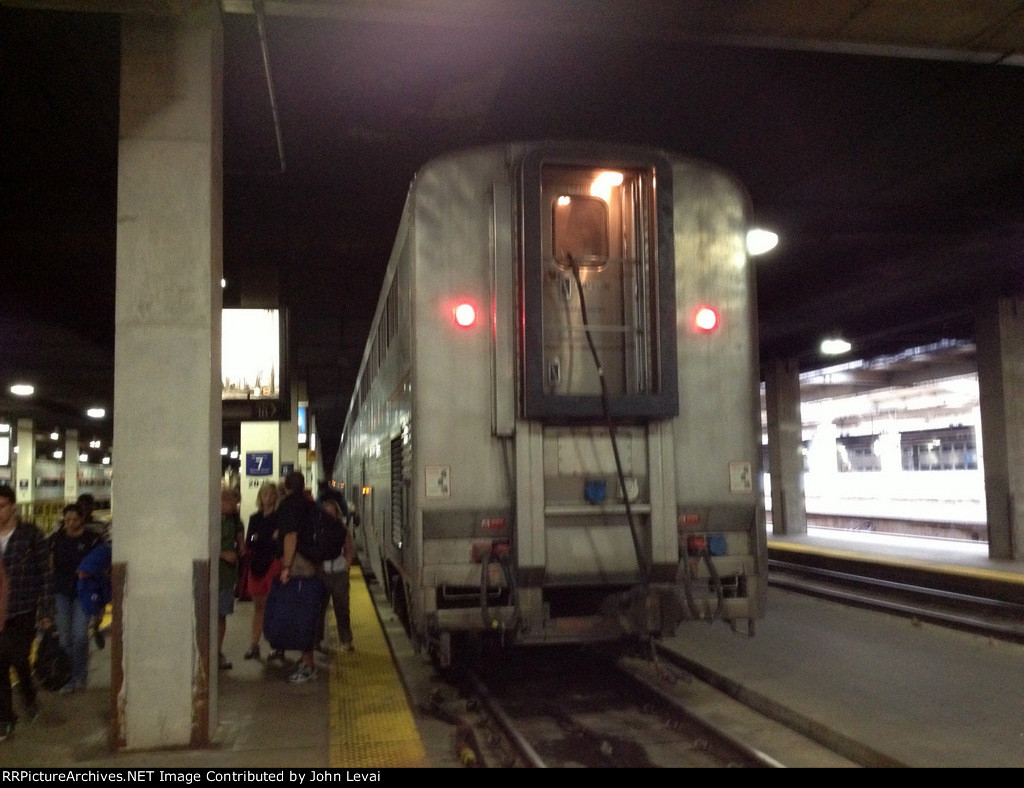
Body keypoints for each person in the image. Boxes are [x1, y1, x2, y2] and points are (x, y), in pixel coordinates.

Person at [0, 484, 53, 742]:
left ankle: (29, 694)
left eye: (1, 506)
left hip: (23, 609)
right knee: (0, 663)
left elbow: (46, 574)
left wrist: (46, 610)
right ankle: (5, 718)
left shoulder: (31, 535)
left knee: (19, 658)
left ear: (13, 507)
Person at [49, 503, 101, 693]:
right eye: (68, 519)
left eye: (75, 520)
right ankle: (69, 677)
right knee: (64, 638)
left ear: (82, 520)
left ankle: (80, 675)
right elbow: (50, 566)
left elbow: (101, 565)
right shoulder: (56, 539)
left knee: (79, 635)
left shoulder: (92, 540)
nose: (71, 523)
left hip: (83, 592)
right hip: (61, 592)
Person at [277, 470, 320, 683]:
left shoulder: (288, 505)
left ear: (286, 487)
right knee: (306, 613)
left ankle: (308, 665)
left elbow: (291, 536)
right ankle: (306, 659)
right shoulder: (309, 504)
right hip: (312, 563)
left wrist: (286, 567)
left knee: (302, 614)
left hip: (299, 565)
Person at [243, 480, 282, 661]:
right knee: (258, 606)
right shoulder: (255, 518)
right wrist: (267, 538)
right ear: (260, 497)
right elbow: (250, 541)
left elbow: (276, 542)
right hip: (257, 565)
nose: (268, 498)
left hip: (272, 564)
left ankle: (277, 645)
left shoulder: (279, 518)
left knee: (273, 606)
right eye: (265, 494)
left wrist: (261, 538)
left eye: (272, 494)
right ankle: (254, 644)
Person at [317, 496, 356, 654]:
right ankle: (317, 640)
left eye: (332, 513)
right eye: (326, 513)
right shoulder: (318, 530)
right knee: (319, 609)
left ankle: (346, 640)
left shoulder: (343, 530)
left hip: (339, 573)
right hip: (323, 573)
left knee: (342, 609)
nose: (329, 516)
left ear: (337, 514)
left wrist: (346, 568)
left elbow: (349, 550)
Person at [218, 487, 244, 671]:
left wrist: (241, 548)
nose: (235, 507)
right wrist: (223, 554)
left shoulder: (235, 520)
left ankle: (217, 652)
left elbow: (241, 540)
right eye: (233, 503)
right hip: (213, 573)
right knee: (209, 615)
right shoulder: (210, 519)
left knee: (222, 615)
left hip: (227, 576)